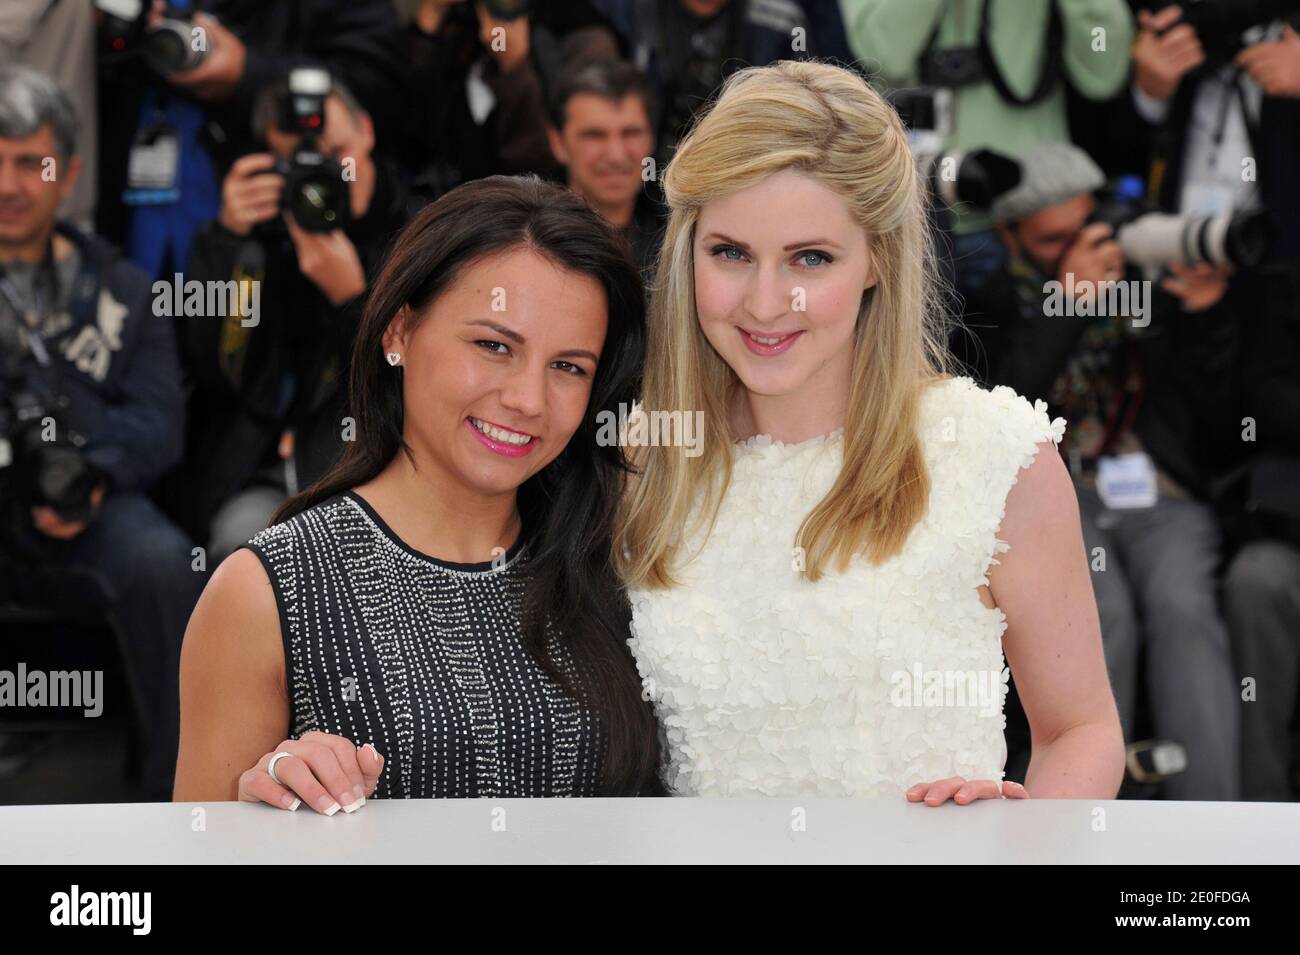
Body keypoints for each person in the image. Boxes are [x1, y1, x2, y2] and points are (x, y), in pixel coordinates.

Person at [613, 60, 1124, 803]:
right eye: (730, 253)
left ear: (878, 259)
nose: (764, 302)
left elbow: (1082, 729)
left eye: (809, 258)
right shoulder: (643, 454)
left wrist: (1029, 841)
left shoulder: (996, 459)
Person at [173, 176, 661, 807]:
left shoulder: (622, 562)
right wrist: (270, 805)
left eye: (568, 367)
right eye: (493, 346)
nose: (528, 400)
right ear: (399, 333)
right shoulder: (268, 591)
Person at [965, 142, 1242, 800]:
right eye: (1053, 239)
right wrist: (1067, 303)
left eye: (1085, 230)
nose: (1078, 248)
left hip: (1159, 487)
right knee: (1102, 613)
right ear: (1009, 234)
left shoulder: (1145, 278)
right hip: (1052, 495)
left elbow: (1220, 411)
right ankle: (1079, 821)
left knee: (1185, 610)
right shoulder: (991, 301)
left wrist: (1203, 313)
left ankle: (1216, 825)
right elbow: (999, 412)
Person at [0, 66, 204, 799]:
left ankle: (180, 801)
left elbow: (160, 427)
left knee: (168, 563)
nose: (10, 183)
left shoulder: (123, 290)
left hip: (95, 506)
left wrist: (86, 468)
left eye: (31, 161)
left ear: (69, 172)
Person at [166, 72, 407, 563]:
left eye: (336, 154)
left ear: (366, 130)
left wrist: (353, 302)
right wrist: (229, 245)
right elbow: (215, 370)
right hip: (266, 470)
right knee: (243, 547)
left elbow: (416, 386)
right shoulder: (259, 236)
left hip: (381, 471)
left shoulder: (422, 229)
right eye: (300, 166)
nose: (325, 181)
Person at [546, 57, 664, 281]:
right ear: (557, 143)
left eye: (631, 133)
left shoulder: (682, 241)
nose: (616, 155)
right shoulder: (528, 244)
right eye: (595, 135)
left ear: (652, 138)